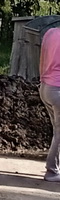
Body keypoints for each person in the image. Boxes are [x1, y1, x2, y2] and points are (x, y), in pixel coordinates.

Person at [40, 27, 60, 182]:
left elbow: (41, 59)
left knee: (57, 131)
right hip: (58, 89)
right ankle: (52, 171)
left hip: (45, 88)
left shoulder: (50, 33)